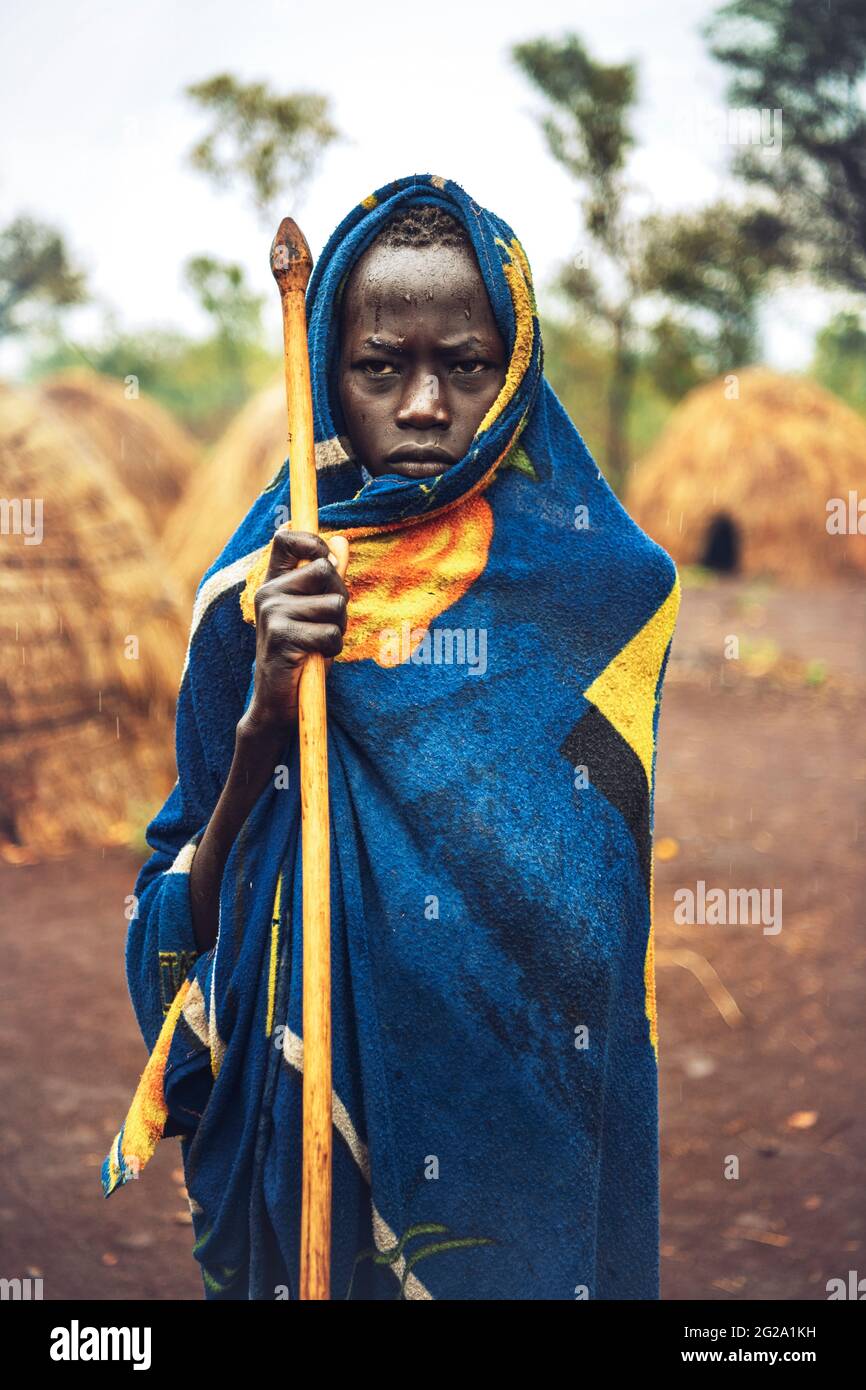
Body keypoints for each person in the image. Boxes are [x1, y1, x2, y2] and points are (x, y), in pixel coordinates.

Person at [102, 174, 680, 1301]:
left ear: (510, 370)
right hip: (312, 1121)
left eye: (462, 365)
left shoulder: (604, 596)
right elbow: (173, 922)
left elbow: (594, 915)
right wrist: (269, 711)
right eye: (380, 368)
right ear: (327, 371)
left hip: (525, 1133)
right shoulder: (253, 599)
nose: (423, 404)